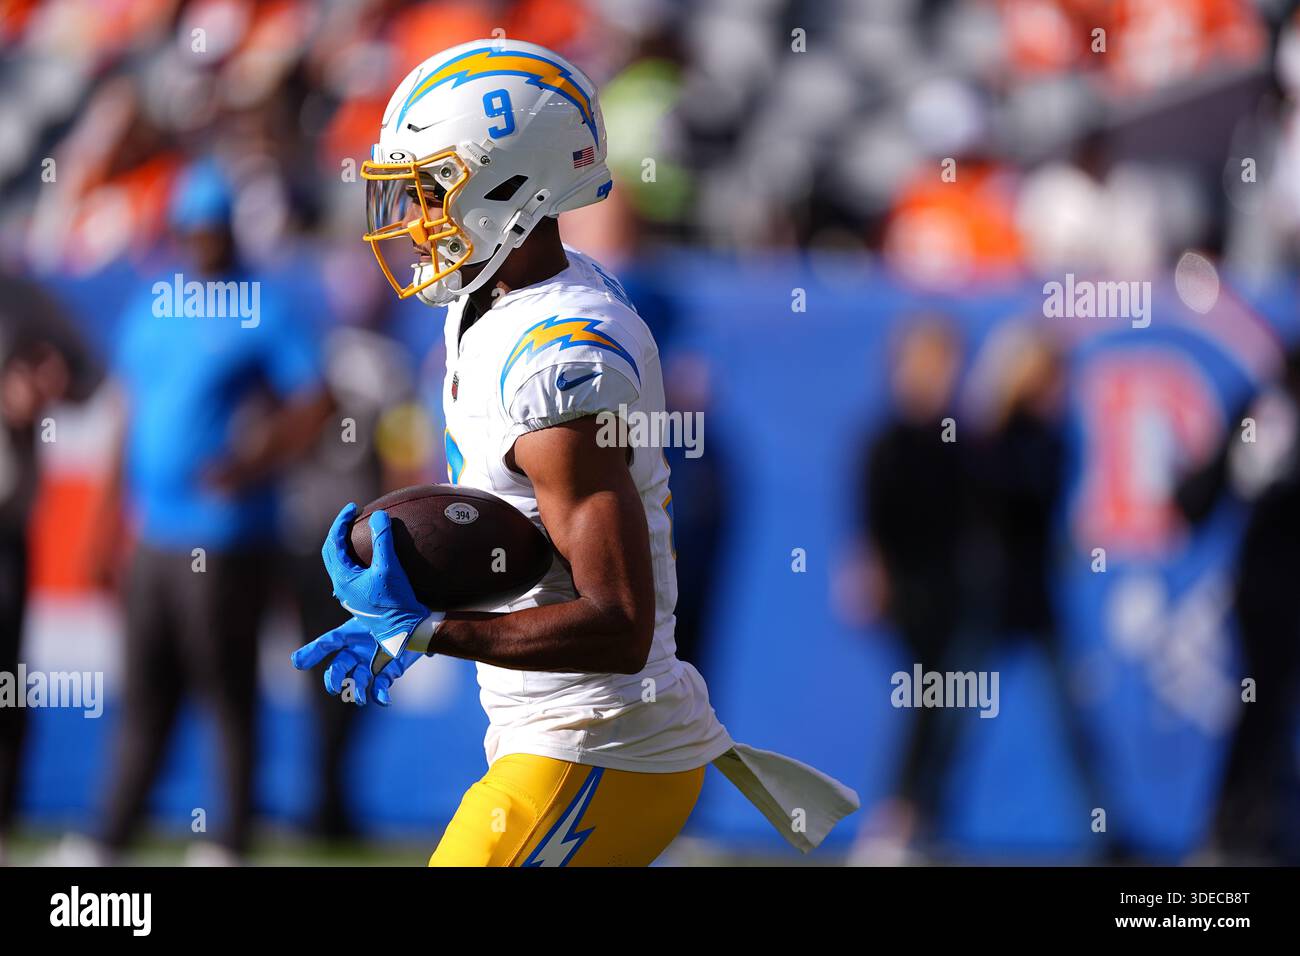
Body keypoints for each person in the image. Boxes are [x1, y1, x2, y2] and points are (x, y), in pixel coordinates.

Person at [291, 39, 858, 866]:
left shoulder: (559, 358)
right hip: (561, 742)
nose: (411, 215)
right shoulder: (493, 300)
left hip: (600, 748)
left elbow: (619, 622)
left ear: (509, 188)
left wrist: (425, 631)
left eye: (431, 187)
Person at [81, 159, 334, 864]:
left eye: (214, 229)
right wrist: (106, 526)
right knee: (146, 691)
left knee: (225, 690)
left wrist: (254, 463)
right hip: (154, 535)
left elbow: (317, 400)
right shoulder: (155, 304)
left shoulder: (262, 306)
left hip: (227, 537)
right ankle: (110, 838)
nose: (203, 241)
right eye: (192, 229)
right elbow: (127, 415)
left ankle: (228, 839)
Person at [0, 272, 102, 864]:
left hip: (6, 529)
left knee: (9, 694)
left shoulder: (24, 295)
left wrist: (42, 380)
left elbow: (85, 374)